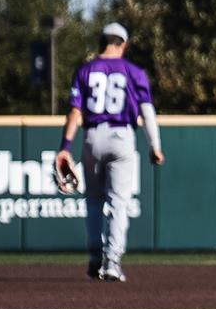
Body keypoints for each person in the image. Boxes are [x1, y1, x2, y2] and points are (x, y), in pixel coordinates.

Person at [53, 23, 164, 281]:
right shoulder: (134, 71)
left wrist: (64, 148)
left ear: (101, 42)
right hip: (121, 136)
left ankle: (94, 256)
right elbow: (147, 112)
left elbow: (75, 113)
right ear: (123, 44)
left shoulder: (85, 70)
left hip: (92, 137)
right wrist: (154, 147)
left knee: (93, 200)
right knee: (118, 202)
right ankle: (111, 262)